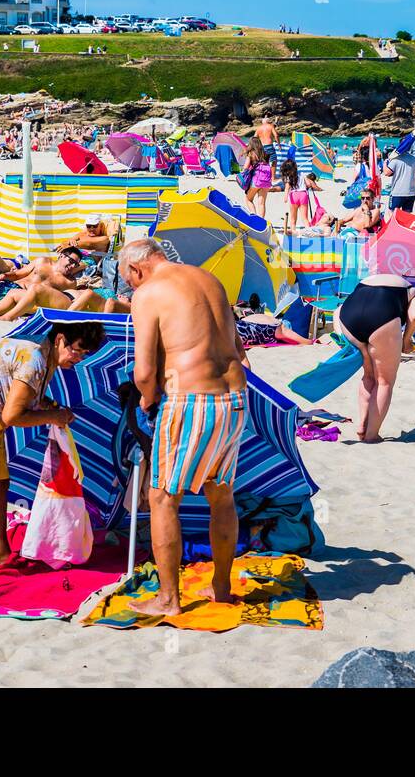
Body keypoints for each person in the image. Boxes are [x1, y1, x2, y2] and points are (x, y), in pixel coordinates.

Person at [120, 238, 250, 615]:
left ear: (136, 270)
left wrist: (147, 398)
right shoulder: (209, 279)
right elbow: (238, 348)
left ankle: (168, 599)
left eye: (129, 283)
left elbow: (144, 371)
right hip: (235, 399)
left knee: (162, 497)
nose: (132, 289)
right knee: (221, 495)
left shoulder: (149, 292)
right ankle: (221, 588)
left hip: (190, 401)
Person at [0, 320, 104, 577]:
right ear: (60, 338)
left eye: (85, 354)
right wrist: (53, 416)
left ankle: (1, 553)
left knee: (1, 482)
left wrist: (50, 408)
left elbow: (26, 396)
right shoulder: (35, 359)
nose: (78, 358)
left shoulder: (45, 355)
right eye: (76, 350)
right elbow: (12, 415)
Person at [336, 273, 415, 443]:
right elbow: (414, 317)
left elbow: (338, 309)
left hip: (347, 316)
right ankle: (371, 435)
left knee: (368, 375)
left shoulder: (368, 280)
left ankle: (362, 425)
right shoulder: (413, 291)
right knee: (384, 382)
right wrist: (406, 341)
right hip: (382, 315)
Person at [242, 134, 275, 218]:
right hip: (266, 181)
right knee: (262, 203)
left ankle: (254, 217)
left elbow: (245, 167)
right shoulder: (265, 153)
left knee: (248, 199)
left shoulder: (251, 154)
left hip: (256, 180)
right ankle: (261, 221)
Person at [384, 147, 415, 213]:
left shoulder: (396, 160)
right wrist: (414, 186)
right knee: (406, 216)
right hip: (411, 192)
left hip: (397, 192)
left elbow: (386, 173)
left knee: (392, 214)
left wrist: (385, 163)